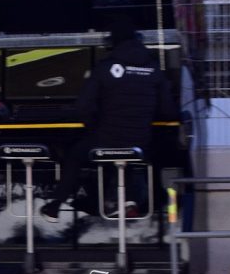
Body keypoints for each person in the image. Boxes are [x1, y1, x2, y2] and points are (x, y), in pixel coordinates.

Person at [40, 17, 177, 223]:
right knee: (128, 153)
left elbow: (82, 107)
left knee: (76, 154)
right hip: (140, 142)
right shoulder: (154, 69)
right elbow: (168, 111)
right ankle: (128, 201)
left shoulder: (105, 67)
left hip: (107, 138)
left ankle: (55, 206)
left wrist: (93, 125)